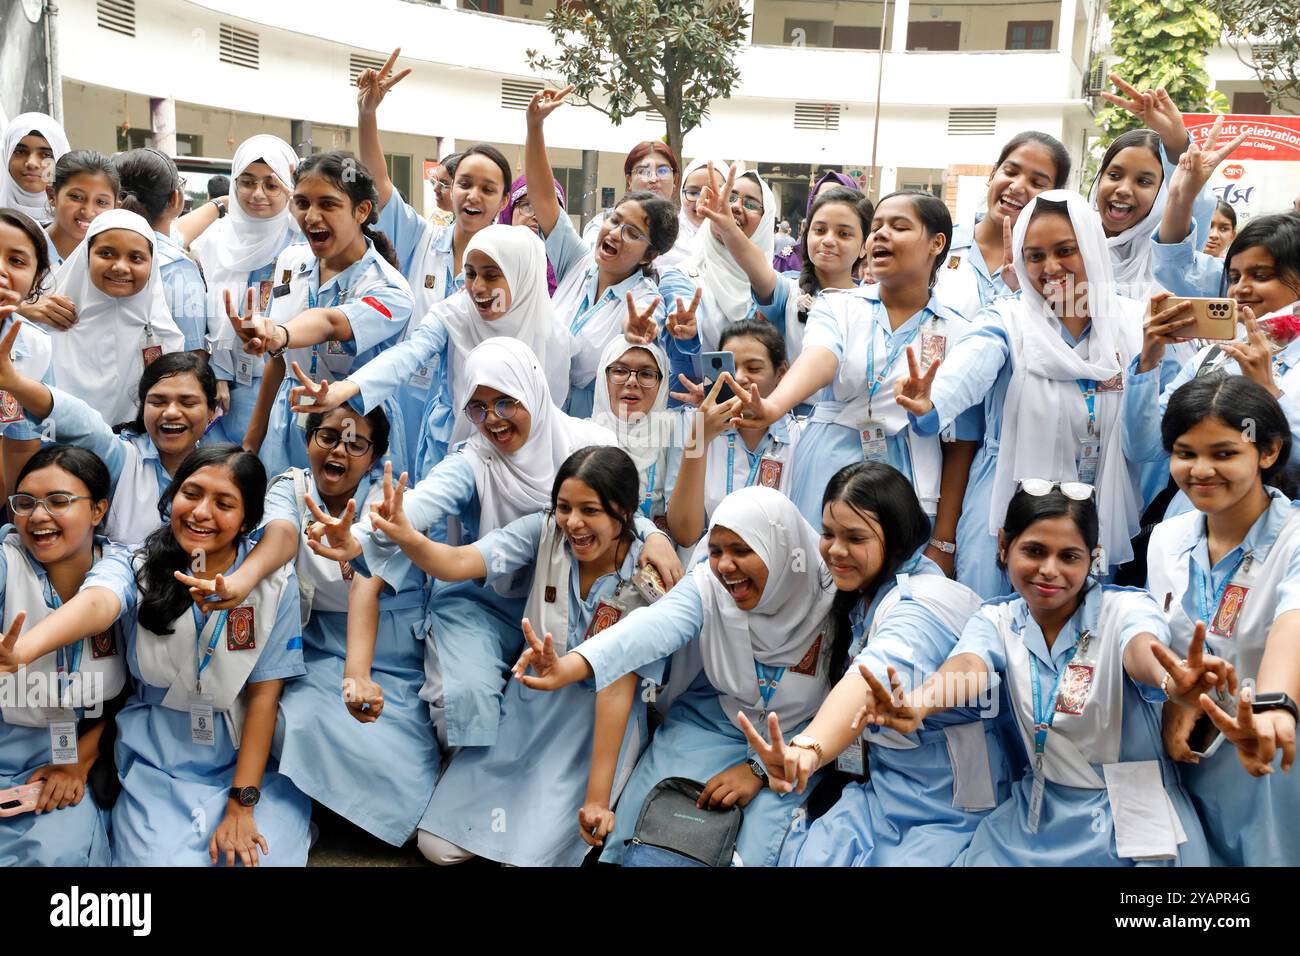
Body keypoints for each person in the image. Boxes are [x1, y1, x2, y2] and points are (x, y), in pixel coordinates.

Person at [306, 338, 681, 753]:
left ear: (532, 390)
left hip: (570, 603)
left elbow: (616, 504)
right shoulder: (475, 461)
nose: (493, 421)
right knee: (463, 702)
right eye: (478, 408)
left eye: (505, 403)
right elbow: (418, 505)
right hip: (482, 598)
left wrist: (654, 534)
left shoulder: (587, 445)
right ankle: (466, 790)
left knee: (580, 699)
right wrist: (358, 536)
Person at [857, 481, 1219, 866]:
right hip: (1037, 812)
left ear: (1093, 558)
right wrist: (919, 704)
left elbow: (1141, 650)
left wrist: (1169, 679)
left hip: (1128, 820)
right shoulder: (998, 619)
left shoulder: (1126, 609)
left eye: (1069, 556)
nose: (1049, 570)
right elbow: (968, 668)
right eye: (1033, 551)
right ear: (1003, 546)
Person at [516, 485, 835, 866]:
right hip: (718, 720)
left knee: (751, 849)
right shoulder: (711, 588)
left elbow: (847, 708)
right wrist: (567, 666)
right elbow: (644, 632)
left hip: (803, 740)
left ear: (781, 551)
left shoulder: (833, 596)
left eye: (742, 551)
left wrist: (758, 770)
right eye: (716, 551)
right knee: (641, 828)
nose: (725, 566)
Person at [399, 446, 662, 865]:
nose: (573, 523)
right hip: (529, 707)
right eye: (564, 507)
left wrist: (596, 799)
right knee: (437, 847)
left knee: (527, 859)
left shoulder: (647, 574)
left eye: (589, 510)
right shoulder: (544, 533)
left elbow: (617, 689)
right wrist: (406, 536)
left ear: (624, 513)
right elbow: (459, 561)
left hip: (596, 725)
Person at [742, 462, 1012, 867]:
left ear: (897, 538)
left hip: (949, 803)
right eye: (828, 534)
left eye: (855, 538)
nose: (835, 550)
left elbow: (865, 683)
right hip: (884, 787)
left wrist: (808, 749)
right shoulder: (868, 587)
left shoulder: (918, 606)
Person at [895, 190, 1148, 597]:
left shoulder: (1134, 326)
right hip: (1004, 501)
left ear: (1093, 249)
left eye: (1066, 250)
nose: (1050, 268)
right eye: (1034, 256)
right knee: (989, 626)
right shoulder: (1007, 320)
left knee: (1078, 640)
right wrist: (933, 402)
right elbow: (969, 368)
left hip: (1094, 509)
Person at [730, 190, 974, 576]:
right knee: (814, 576)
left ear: (936, 243)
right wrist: (773, 407)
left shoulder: (959, 331)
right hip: (829, 459)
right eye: (876, 227)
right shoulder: (838, 305)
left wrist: (944, 541)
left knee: (890, 584)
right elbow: (821, 358)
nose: (880, 235)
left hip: (907, 470)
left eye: (898, 226)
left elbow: (961, 441)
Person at [265, 404, 439, 849]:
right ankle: (324, 809)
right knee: (294, 724)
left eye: (356, 443)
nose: (338, 450)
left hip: (387, 652)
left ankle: (376, 814)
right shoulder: (290, 486)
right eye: (327, 437)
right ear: (308, 440)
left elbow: (367, 582)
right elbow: (280, 537)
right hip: (319, 647)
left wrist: (358, 676)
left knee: (402, 773)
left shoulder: (390, 503)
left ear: (374, 455)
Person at [1147, 375, 1300, 865]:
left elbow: (1292, 621)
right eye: (1185, 452)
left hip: (1273, 755)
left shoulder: (1293, 540)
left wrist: (1275, 709)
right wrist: (1175, 698)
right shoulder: (1166, 539)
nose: (1201, 470)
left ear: (1269, 452)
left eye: (1225, 453)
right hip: (1189, 756)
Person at [285, 223, 569, 479]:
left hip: (522, 452)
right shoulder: (454, 313)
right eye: (470, 273)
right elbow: (409, 353)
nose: (478, 287)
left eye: (492, 275)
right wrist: (347, 388)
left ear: (522, 276)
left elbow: (551, 407)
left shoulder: (552, 335)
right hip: (453, 445)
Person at [225, 150, 413, 480]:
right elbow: (278, 360)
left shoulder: (390, 289)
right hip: (289, 420)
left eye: (327, 204)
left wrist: (280, 333)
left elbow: (329, 323)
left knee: (347, 526)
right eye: (302, 203)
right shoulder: (290, 263)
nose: (311, 217)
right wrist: (252, 442)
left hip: (354, 430)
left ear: (361, 211)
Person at [0, 445, 132, 866]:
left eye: (58, 501)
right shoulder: (7, 563)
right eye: (25, 503)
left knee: (61, 854)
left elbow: (100, 606)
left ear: (98, 510)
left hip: (73, 752)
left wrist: (80, 761)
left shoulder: (124, 567)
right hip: (7, 743)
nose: (38, 516)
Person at [1125, 213, 1300, 510]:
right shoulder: (1212, 358)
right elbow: (1145, 447)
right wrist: (1148, 362)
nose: (1241, 289)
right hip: (1188, 537)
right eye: (1234, 277)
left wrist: (1268, 391)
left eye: (1261, 275)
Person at [525, 85, 678, 418]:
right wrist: (535, 127)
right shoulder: (577, 261)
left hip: (587, 424)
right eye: (615, 220)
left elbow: (640, 322)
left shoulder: (644, 298)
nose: (615, 234)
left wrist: (635, 332)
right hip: (535, 408)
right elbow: (543, 197)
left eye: (633, 233)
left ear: (649, 256)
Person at [357, 49, 512, 320]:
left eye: (488, 189)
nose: (473, 196)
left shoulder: (510, 261)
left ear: (504, 200)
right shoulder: (421, 239)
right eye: (464, 184)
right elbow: (378, 185)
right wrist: (367, 114)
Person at [188, 134, 301, 441]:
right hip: (228, 388)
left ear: (289, 187)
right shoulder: (212, 241)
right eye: (247, 182)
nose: (257, 193)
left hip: (290, 381)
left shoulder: (302, 243)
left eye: (271, 184)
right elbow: (201, 316)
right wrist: (219, 373)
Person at [694, 174, 870, 364]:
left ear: (864, 246)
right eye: (819, 230)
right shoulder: (787, 294)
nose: (828, 240)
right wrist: (728, 227)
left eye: (844, 234)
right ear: (806, 235)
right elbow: (754, 263)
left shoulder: (874, 304)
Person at [44, 209, 187, 427]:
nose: (120, 267)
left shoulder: (165, 335)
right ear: (86, 254)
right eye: (106, 254)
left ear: (152, 263)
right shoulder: (51, 318)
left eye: (136, 257)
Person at [666, 320, 798, 547]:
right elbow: (685, 533)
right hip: (706, 569)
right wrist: (701, 437)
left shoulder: (800, 437)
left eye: (754, 368)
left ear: (781, 373)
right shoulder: (692, 424)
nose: (740, 377)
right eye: (729, 367)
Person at [1092, 73, 1217, 297]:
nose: (1123, 189)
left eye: (1143, 181)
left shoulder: (1170, 253)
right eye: (1114, 175)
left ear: (1162, 194)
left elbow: (1190, 201)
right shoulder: (1072, 238)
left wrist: (1176, 141)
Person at [935, 131, 1071, 318]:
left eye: (1037, 182)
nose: (1016, 186)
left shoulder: (1055, 269)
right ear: (993, 174)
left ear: (1054, 195)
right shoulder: (938, 247)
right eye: (1011, 172)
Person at [114, 148, 209, 354]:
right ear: (175, 199)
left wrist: (219, 205)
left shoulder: (99, 252)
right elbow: (193, 356)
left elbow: (175, 234)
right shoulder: (177, 270)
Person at [1149, 117, 1253, 298]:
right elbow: (1176, 266)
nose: (1124, 190)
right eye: (1114, 175)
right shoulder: (1221, 278)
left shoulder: (1225, 278)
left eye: (1263, 275)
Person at [0, 208, 57, 493]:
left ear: (36, 279)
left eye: (16, 261)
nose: (1, 269)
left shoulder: (35, 347)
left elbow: (22, 445)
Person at [33, 150, 119, 278]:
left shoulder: (117, 262)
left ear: (116, 207)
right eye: (76, 197)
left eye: (101, 202)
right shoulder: (22, 245)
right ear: (51, 195)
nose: (88, 211)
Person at [497, 174, 565, 295]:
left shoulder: (568, 272)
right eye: (527, 206)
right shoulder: (488, 259)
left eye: (547, 210)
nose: (537, 216)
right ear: (509, 212)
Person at [0, 112, 69, 223]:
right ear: (5, 156)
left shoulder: (77, 225)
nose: (31, 163)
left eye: (46, 155)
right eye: (20, 151)